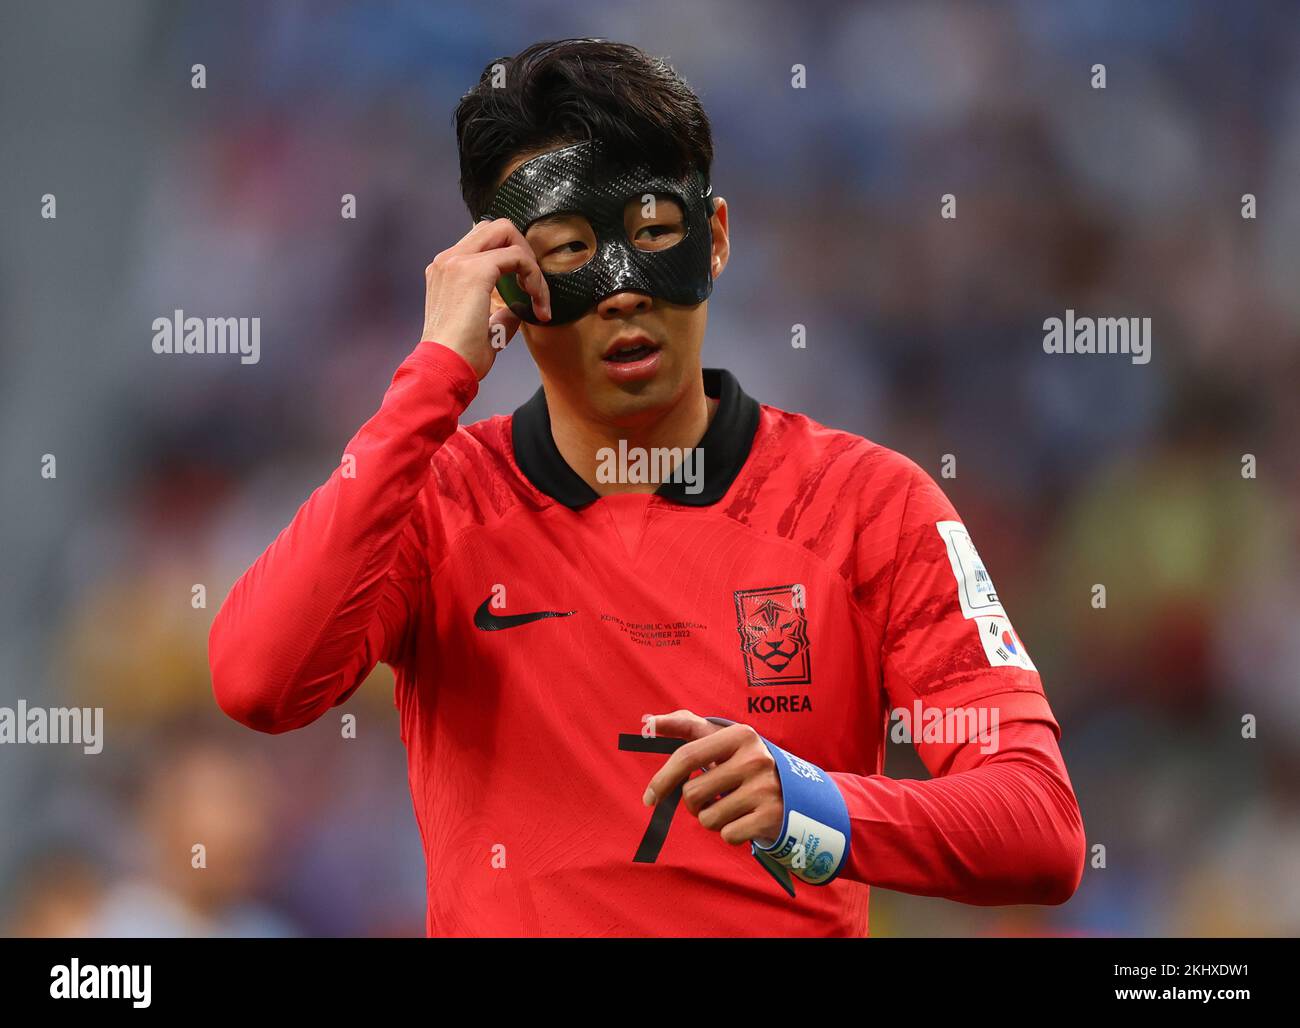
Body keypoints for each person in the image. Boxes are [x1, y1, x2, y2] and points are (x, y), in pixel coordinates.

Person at [210, 37, 1085, 936]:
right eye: (569, 249)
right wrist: (434, 374)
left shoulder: (870, 507)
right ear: (507, 282)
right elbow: (257, 681)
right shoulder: (437, 506)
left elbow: (1041, 826)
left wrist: (817, 807)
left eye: (655, 233)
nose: (623, 290)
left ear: (714, 240)